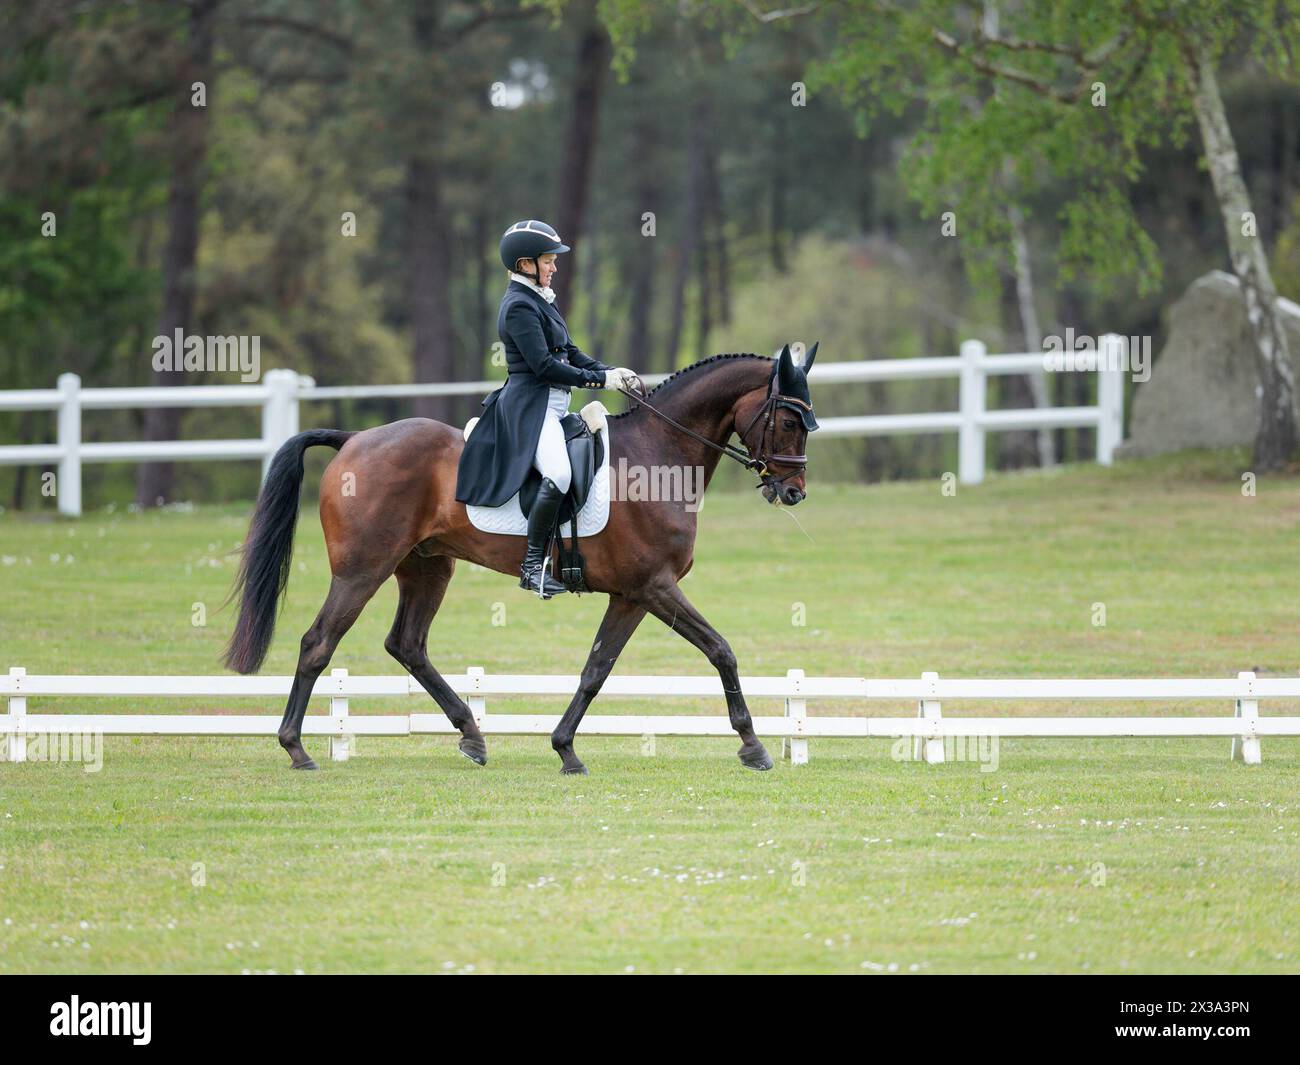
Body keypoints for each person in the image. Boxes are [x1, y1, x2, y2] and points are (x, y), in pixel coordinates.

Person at [454, 219, 640, 597]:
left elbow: (570, 353)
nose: (554, 267)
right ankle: (533, 567)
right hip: (530, 409)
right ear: (526, 264)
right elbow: (544, 366)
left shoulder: (540, 300)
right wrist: (598, 382)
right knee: (558, 473)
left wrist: (609, 370)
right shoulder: (518, 306)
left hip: (553, 407)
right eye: (548, 261)